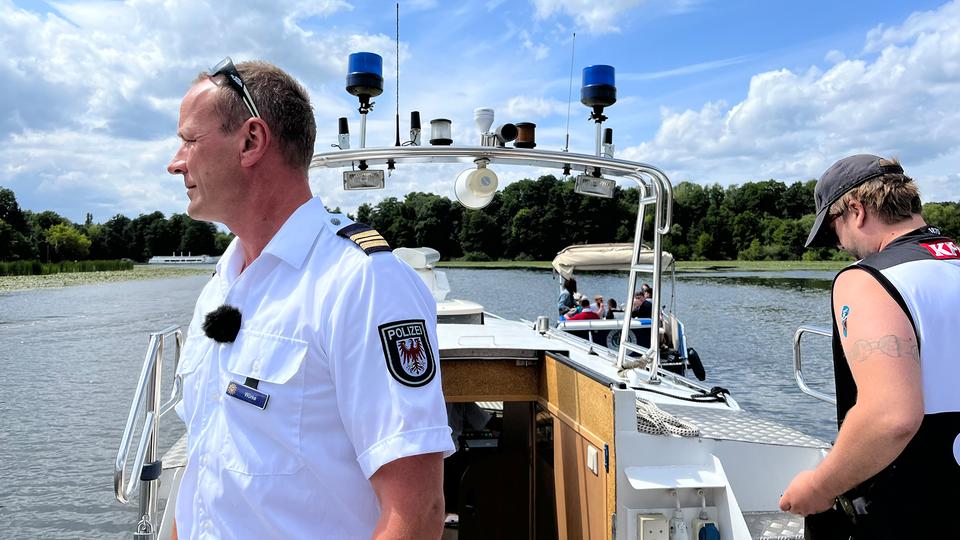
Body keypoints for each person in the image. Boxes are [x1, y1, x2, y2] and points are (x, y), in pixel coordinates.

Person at [166, 58, 454, 539]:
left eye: (190, 140)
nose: (175, 161)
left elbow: (417, 510)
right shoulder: (222, 283)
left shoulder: (362, 283)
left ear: (251, 141)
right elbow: (202, 466)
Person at [779, 155, 960, 538]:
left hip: (918, 505)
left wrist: (819, 488)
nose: (842, 245)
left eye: (834, 229)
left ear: (856, 211)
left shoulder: (867, 279)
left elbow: (890, 417)